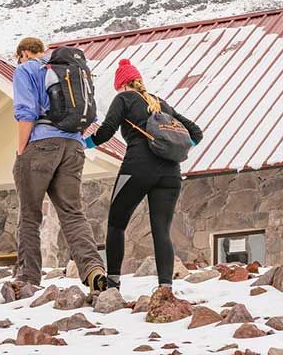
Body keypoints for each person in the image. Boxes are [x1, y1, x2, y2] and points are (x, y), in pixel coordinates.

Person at [84, 58, 203, 291]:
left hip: (137, 169)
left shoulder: (124, 99)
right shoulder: (161, 103)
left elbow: (107, 130)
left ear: (121, 84)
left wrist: (84, 143)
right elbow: (196, 133)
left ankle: (113, 283)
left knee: (116, 224)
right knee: (162, 230)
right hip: (171, 172)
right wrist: (171, 147)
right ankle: (165, 287)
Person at [12, 36, 107, 293]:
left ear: (24, 53)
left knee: (29, 215)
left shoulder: (27, 69)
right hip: (73, 146)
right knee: (73, 213)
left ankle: (28, 277)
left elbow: (26, 113)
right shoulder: (69, 70)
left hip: (41, 145)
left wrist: (22, 150)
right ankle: (93, 269)